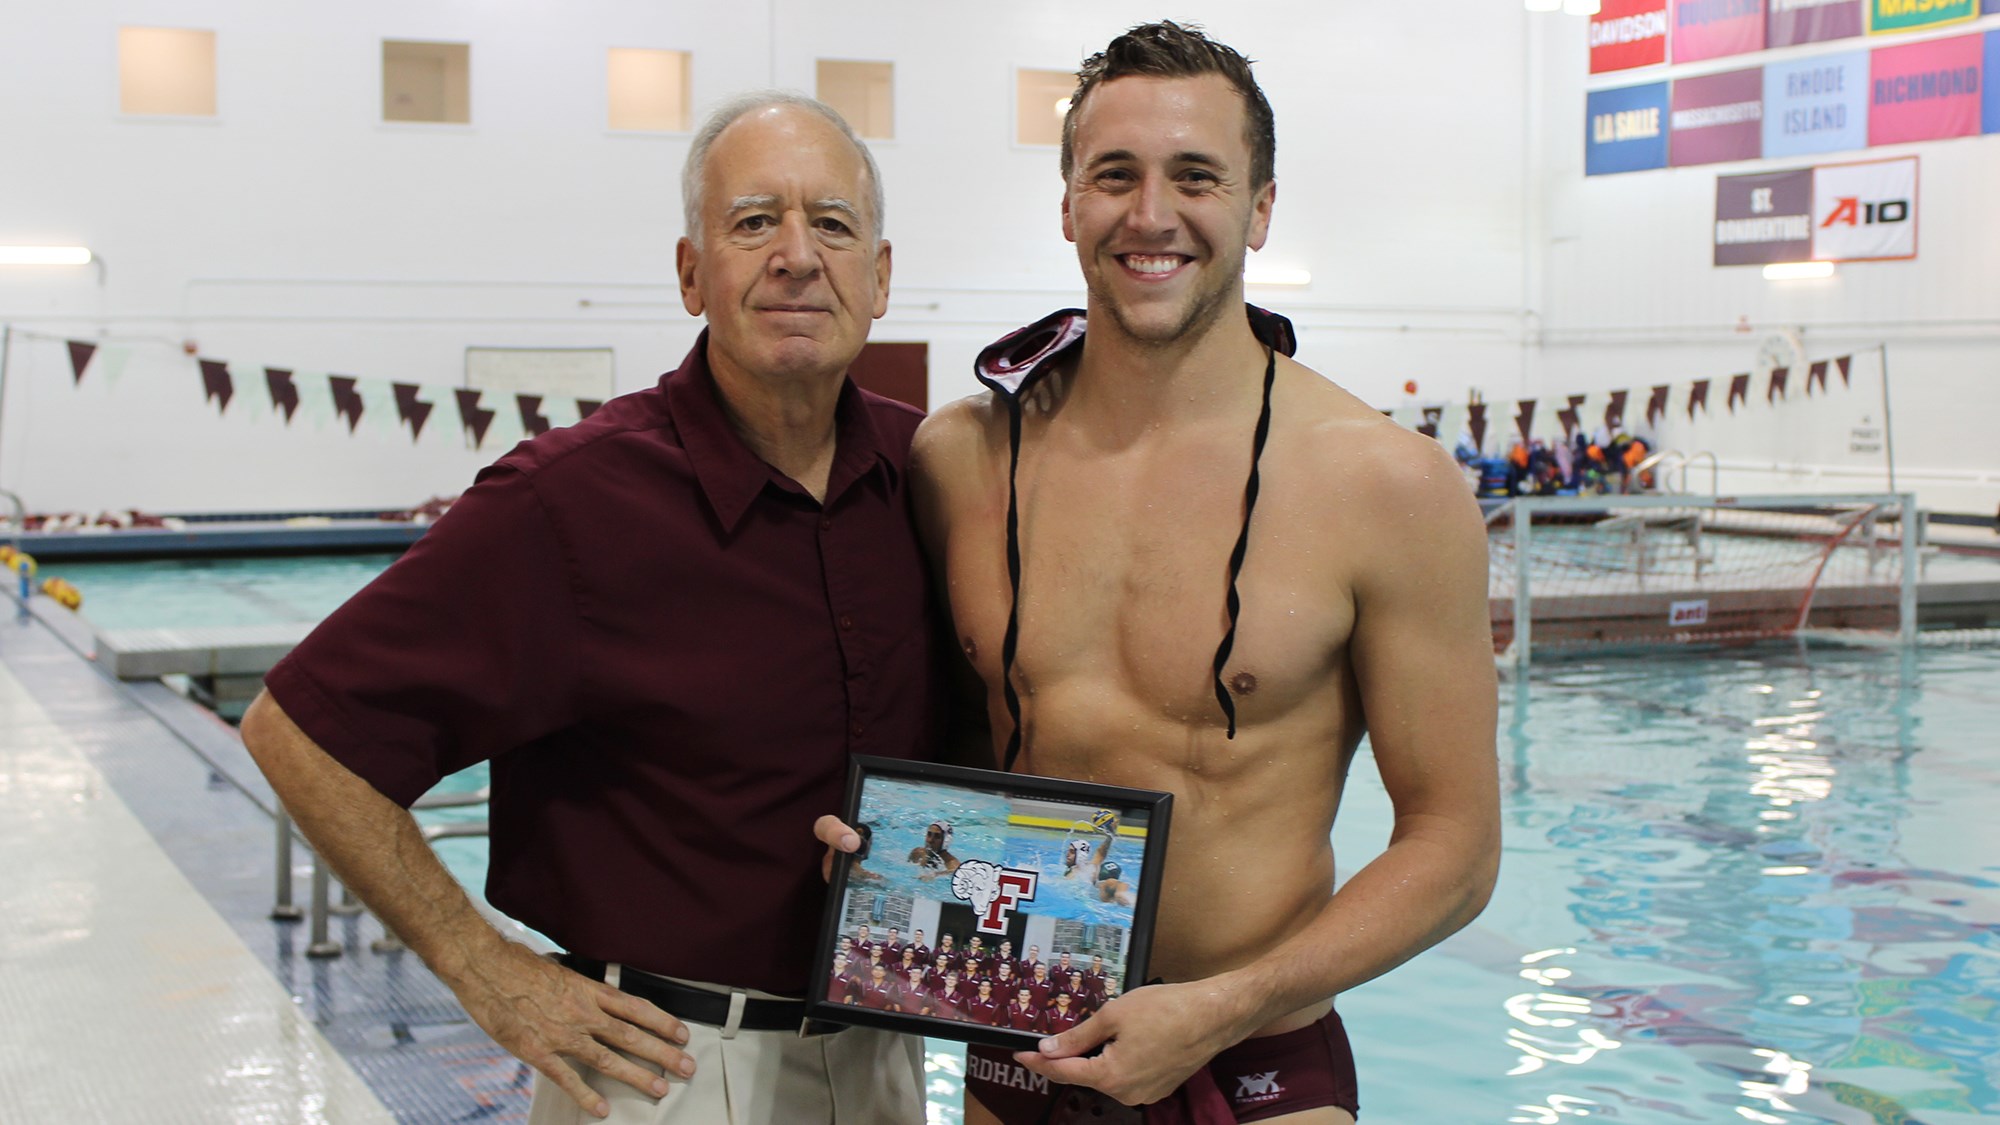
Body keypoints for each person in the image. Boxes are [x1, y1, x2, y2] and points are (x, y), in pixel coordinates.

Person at [242, 90, 939, 1125]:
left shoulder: (929, 475)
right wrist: (488, 972)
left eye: (832, 224)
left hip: (887, 1060)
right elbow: (298, 732)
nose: (796, 254)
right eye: (753, 223)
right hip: (670, 1072)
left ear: (880, 278)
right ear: (691, 272)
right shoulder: (570, 501)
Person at [883, 20, 1500, 1125]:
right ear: (1066, 203)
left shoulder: (1385, 488)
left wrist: (1225, 1004)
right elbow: (962, 739)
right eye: (1112, 176)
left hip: (1253, 1055)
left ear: (1259, 207)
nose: (1150, 214)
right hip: (1024, 1037)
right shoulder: (961, 458)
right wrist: (880, 848)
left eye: (1195, 176)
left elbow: (1453, 848)